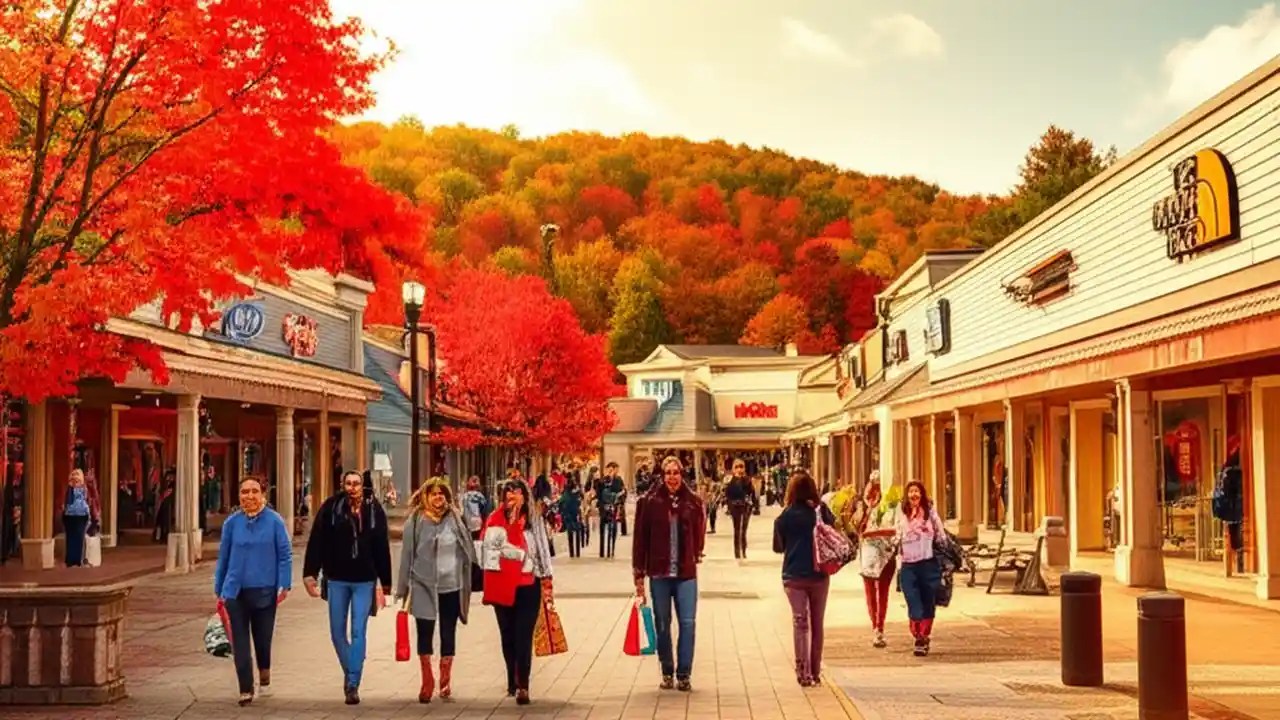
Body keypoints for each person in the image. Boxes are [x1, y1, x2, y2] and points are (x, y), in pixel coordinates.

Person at [302, 470, 392, 705]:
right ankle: (352, 670)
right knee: (336, 632)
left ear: (362, 486)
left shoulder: (373, 510)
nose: (352, 487)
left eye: (356, 484)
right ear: (342, 485)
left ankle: (352, 683)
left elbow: (382, 546)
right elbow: (317, 541)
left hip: (364, 579)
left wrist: (387, 580)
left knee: (358, 630)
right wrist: (310, 573)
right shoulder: (331, 508)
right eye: (348, 483)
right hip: (336, 579)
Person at [398, 477, 479, 704]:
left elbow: (466, 548)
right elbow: (406, 555)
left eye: (441, 494)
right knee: (424, 632)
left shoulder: (455, 518)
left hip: (451, 585)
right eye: (433, 494)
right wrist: (402, 587)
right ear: (426, 495)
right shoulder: (415, 521)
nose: (438, 498)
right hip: (423, 584)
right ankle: (427, 680)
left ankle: (445, 678)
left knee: (447, 632)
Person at [214, 476, 292, 706]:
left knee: (262, 640)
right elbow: (224, 558)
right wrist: (219, 589)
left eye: (254, 491)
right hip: (235, 592)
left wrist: (284, 584)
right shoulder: (231, 524)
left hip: (265, 590)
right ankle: (245, 688)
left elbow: (285, 555)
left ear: (262, 494)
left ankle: (264, 671)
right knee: (240, 642)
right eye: (245, 492)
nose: (249, 496)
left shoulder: (275, 521)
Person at [632, 455, 705, 692]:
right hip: (659, 573)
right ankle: (667, 671)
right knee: (662, 623)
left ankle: (684, 673)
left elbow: (700, 531)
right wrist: (639, 574)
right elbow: (640, 540)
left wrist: (696, 553)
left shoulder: (693, 502)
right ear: (661, 475)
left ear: (682, 475)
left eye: (676, 472)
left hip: (685, 573)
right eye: (668, 473)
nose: (672, 477)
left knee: (688, 623)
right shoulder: (650, 502)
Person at [481, 478, 553, 706]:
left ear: (525, 496)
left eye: (517, 492)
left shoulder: (534, 521)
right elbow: (487, 551)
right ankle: (512, 678)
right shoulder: (494, 520)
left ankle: (523, 684)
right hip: (502, 585)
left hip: (528, 586)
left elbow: (542, 550)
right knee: (508, 635)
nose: (512, 496)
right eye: (508, 492)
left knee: (523, 636)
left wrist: (548, 581)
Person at [772, 469, 833, 686]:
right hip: (819, 574)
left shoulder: (784, 517)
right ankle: (815, 672)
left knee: (800, 622)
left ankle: (802, 672)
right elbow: (834, 532)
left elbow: (777, 548)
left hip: (793, 576)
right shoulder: (821, 512)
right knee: (817, 623)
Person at [896, 479, 945, 656]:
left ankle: (923, 637)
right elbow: (896, 536)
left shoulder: (930, 513)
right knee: (913, 600)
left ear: (922, 494)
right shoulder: (901, 514)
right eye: (911, 491)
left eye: (917, 491)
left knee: (928, 601)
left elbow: (941, 537)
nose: (914, 494)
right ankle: (917, 632)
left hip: (928, 563)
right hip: (908, 565)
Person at [853, 480, 896, 648]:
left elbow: (895, 528)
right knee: (871, 593)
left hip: (886, 555)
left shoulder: (890, 509)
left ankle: (880, 626)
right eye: (869, 493)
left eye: (876, 492)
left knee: (882, 592)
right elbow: (856, 529)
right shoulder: (860, 509)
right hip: (868, 557)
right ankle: (876, 627)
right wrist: (861, 511)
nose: (872, 496)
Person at [62, 469, 93, 567]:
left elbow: (88, 500)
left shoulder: (84, 489)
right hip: (70, 515)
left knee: (79, 537)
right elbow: (69, 501)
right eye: (74, 480)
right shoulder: (69, 490)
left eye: (77, 481)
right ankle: (70, 560)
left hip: (82, 515)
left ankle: (78, 559)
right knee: (71, 538)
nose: (76, 483)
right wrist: (71, 488)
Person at [724, 460, 753, 559]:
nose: (739, 469)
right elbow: (728, 494)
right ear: (733, 469)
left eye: (741, 467)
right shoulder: (730, 480)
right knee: (737, 530)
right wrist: (734, 480)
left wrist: (742, 480)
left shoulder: (747, 480)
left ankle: (743, 551)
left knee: (743, 530)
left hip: (745, 507)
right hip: (735, 507)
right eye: (736, 467)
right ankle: (737, 552)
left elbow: (750, 492)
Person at [596, 463, 624, 558]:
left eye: (613, 470)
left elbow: (622, 491)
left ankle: (612, 549)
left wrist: (620, 502)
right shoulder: (601, 481)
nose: (611, 472)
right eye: (609, 470)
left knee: (614, 527)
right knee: (602, 527)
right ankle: (601, 550)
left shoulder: (618, 480)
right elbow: (598, 493)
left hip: (614, 505)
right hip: (603, 506)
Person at [558, 476, 586, 558]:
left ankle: (572, 553)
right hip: (576, 514)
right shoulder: (577, 493)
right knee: (577, 532)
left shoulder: (566, 493)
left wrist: (561, 512)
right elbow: (581, 498)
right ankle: (577, 552)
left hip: (568, 515)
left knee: (570, 534)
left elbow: (561, 503)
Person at [461, 476, 491, 541]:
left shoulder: (464, 496)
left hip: (467, 523)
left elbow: (462, 510)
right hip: (478, 523)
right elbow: (485, 510)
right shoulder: (480, 496)